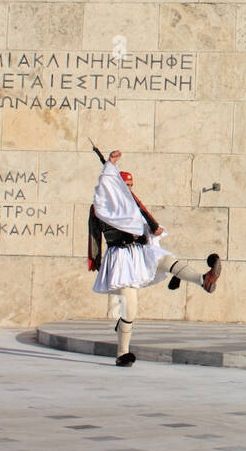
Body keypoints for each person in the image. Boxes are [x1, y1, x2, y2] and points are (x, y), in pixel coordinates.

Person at [90, 150, 222, 367]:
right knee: (130, 309)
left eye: (131, 186)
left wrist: (154, 231)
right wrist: (95, 258)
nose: (129, 190)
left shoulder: (133, 208)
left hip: (141, 252)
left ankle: (203, 280)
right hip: (121, 260)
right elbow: (94, 234)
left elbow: (145, 224)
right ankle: (123, 353)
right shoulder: (101, 208)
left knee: (167, 260)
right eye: (125, 185)